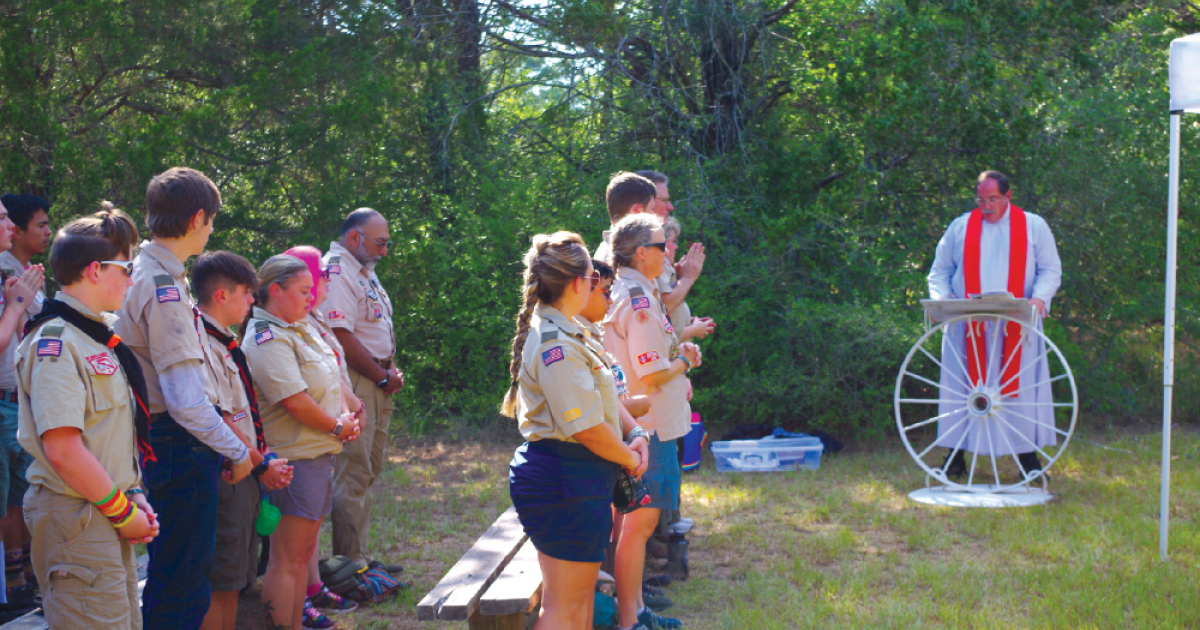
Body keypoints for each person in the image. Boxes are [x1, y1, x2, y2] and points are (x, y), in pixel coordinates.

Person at [114, 167, 254, 630]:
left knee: (172, 577)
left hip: (163, 440)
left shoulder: (138, 272)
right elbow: (185, 400)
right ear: (198, 218)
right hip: (179, 444)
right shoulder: (165, 288)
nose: (212, 229)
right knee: (184, 586)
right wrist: (236, 449)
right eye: (212, 220)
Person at [17, 204, 159, 629]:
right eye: (125, 267)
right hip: (76, 516)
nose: (132, 277)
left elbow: (103, 436)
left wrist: (130, 496)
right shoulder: (58, 341)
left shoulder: (94, 336)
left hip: (100, 508)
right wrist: (122, 511)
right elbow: (62, 449)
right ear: (96, 270)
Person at [503, 232, 646, 630]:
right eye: (592, 277)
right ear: (579, 282)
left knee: (578, 605)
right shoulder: (557, 343)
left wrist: (637, 436)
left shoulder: (569, 330)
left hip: (578, 478)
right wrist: (631, 458)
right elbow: (586, 428)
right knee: (565, 610)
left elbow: (604, 404)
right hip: (565, 479)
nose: (597, 285)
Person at [243, 255, 361, 630]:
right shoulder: (267, 336)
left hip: (315, 454)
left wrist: (345, 416)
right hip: (292, 459)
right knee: (287, 559)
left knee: (302, 553)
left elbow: (330, 373)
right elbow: (294, 401)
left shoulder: (296, 327)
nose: (311, 299)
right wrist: (337, 427)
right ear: (275, 291)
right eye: (304, 291)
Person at [927, 170, 1063, 478]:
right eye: (981, 199)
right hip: (968, 326)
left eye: (993, 199)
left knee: (1019, 391)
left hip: (1015, 324)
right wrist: (943, 302)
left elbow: (1051, 269)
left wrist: (1040, 298)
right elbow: (939, 271)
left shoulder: (1033, 226)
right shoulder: (960, 227)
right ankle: (955, 458)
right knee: (964, 390)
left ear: (1008, 196)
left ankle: (1029, 463)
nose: (986, 206)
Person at [604, 214, 701, 630]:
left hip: (645, 425)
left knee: (631, 524)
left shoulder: (634, 289)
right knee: (638, 526)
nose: (669, 252)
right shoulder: (639, 300)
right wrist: (685, 360)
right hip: (652, 428)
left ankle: (636, 610)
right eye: (663, 246)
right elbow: (652, 372)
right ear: (641, 253)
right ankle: (631, 620)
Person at [193, 251, 295, 630]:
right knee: (218, 584)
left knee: (235, 581)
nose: (253, 300)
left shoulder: (225, 341)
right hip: (228, 475)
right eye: (246, 292)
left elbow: (241, 412)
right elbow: (216, 416)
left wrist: (261, 456)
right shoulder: (201, 344)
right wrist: (260, 463)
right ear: (221, 296)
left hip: (245, 470)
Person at [283, 245, 363, 628]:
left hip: (324, 436)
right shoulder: (289, 325)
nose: (329, 279)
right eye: (324, 274)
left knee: (313, 523)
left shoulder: (312, 318)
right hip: (301, 443)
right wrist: (337, 421)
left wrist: (349, 405)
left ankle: (312, 587)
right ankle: (297, 601)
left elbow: (333, 371)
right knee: (296, 537)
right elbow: (298, 393)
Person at [322, 209, 404, 573]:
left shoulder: (364, 272)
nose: (385, 251)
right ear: (354, 238)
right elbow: (341, 336)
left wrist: (388, 370)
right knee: (353, 472)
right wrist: (380, 375)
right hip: (357, 381)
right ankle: (350, 564)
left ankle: (362, 557)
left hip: (376, 379)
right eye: (380, 243)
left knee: (368, 469)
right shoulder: (338, 271)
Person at [0, 194, 46, 600]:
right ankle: (12, 579)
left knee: (18, 490)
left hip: (15, 395)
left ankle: (22, 573)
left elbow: (17, 342)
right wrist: (16, 305)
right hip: (3, 398)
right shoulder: (7, 277)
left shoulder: (20, 274)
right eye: (3, 220)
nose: (10, 227)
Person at [633, 171, 706, 315]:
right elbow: (661, 310)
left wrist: (678, 278)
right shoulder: (635, 248)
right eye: (664, 200)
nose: (670, 207)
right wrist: (688, 278)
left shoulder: (642, 244)